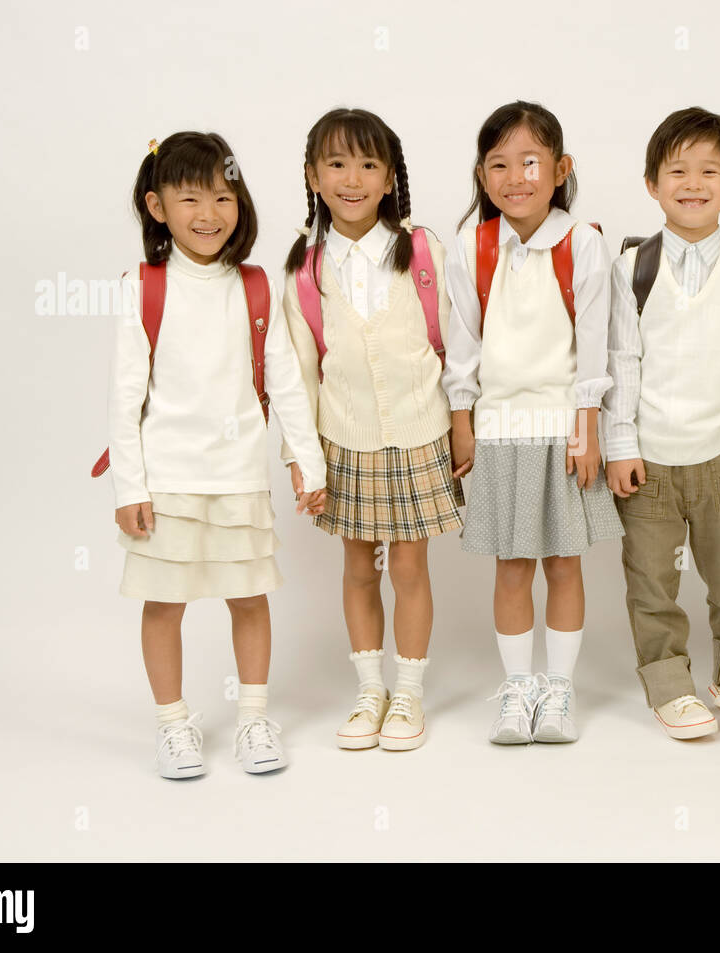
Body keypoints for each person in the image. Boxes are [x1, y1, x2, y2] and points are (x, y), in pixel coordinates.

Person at [106, 132, 327, 778]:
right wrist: (129, 488)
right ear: (157, 206)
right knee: (164, 602)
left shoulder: (255, 287)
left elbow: (285, 381)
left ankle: (254, 717)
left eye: (223, 196)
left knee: (249, 596)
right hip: (166, 477)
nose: (209, 213)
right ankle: (173, 724)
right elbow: (124, 398)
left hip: (237, 477)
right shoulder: (143, 287)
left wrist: (307, 462)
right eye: (190, 197)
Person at [280, 108, 464, 752]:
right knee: (359, 565)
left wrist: (463, 424)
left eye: (367, 164)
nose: (351, 178)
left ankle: (408, 692)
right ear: (312, 175)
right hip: (345, 438)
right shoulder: (303, 267)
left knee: (410, 566)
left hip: (419, 432)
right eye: (335, 164)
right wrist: (301, 458)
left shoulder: (423, 250)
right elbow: (299, 374)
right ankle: (369, 689)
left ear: (391, 178)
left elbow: (456, 344)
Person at [443, 101, 623, 745]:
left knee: (565, 564)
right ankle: (518, 689)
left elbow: (595, 344)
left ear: (560, 168)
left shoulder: (584, 243)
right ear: (482, 174)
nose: (515, 177)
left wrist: (589, 425)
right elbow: (460, 343)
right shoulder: (471, 246)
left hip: (564, 426)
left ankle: (560, 690)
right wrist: (462, 418)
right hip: (498, 430)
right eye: (498, 164)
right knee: (512, 566)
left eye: (530, 162)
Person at [604, 107, 720, 740]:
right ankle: (669, 683)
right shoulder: (629, 270)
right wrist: (618, 443)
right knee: (652, 580)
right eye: (677, 170)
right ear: (652, 182)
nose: (693, 182)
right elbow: (621, 362)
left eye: (710, 170)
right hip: (648, 459)